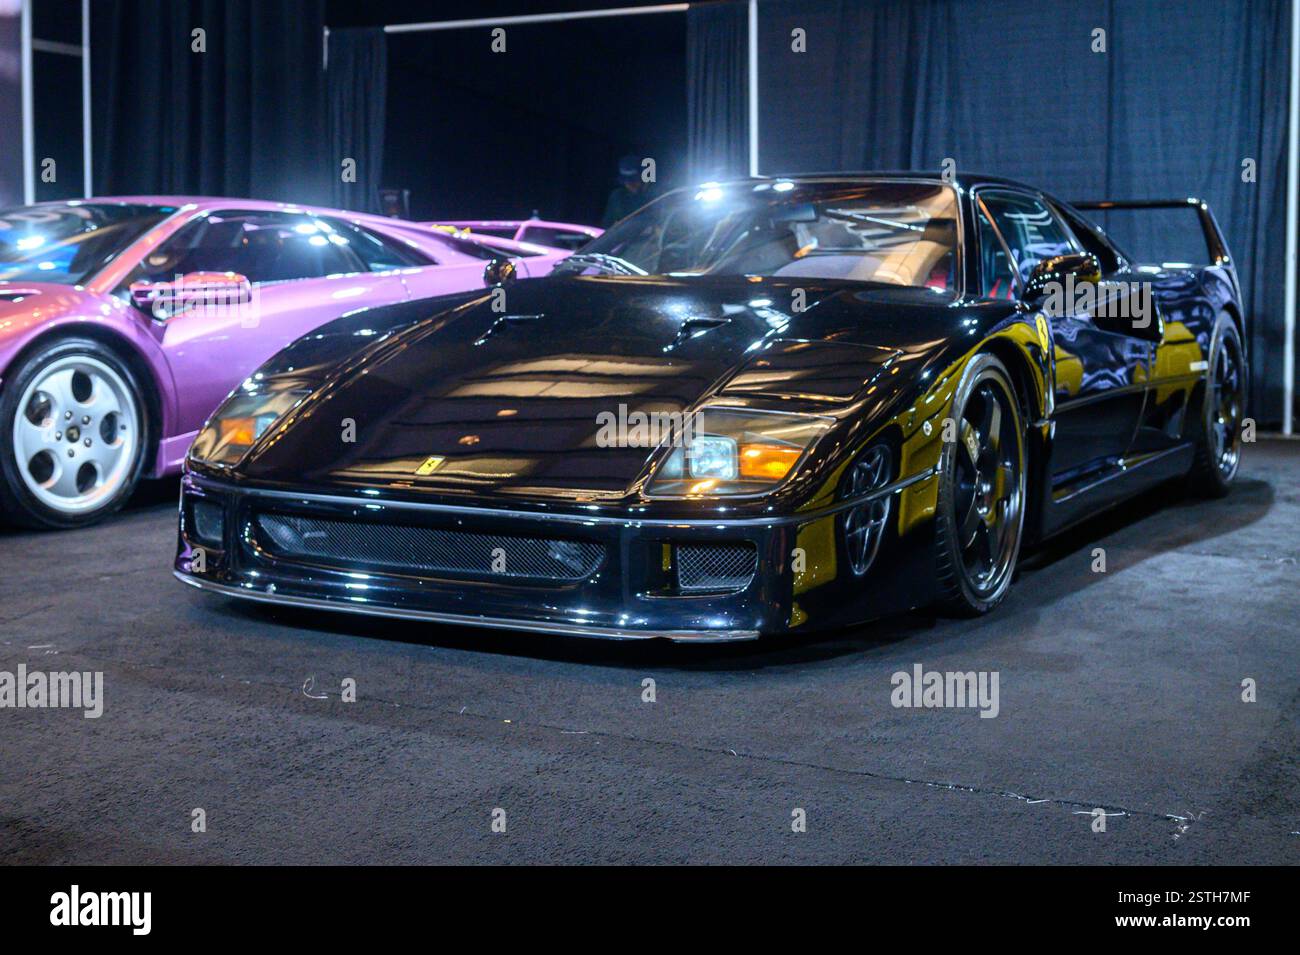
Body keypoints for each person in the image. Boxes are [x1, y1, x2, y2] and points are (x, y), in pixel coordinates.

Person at [601, 155, 654, 227]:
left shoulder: (656, 196)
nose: (629, 184)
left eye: (634, 180)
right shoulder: (618, 197)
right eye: (626, 181)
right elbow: (606, 227)